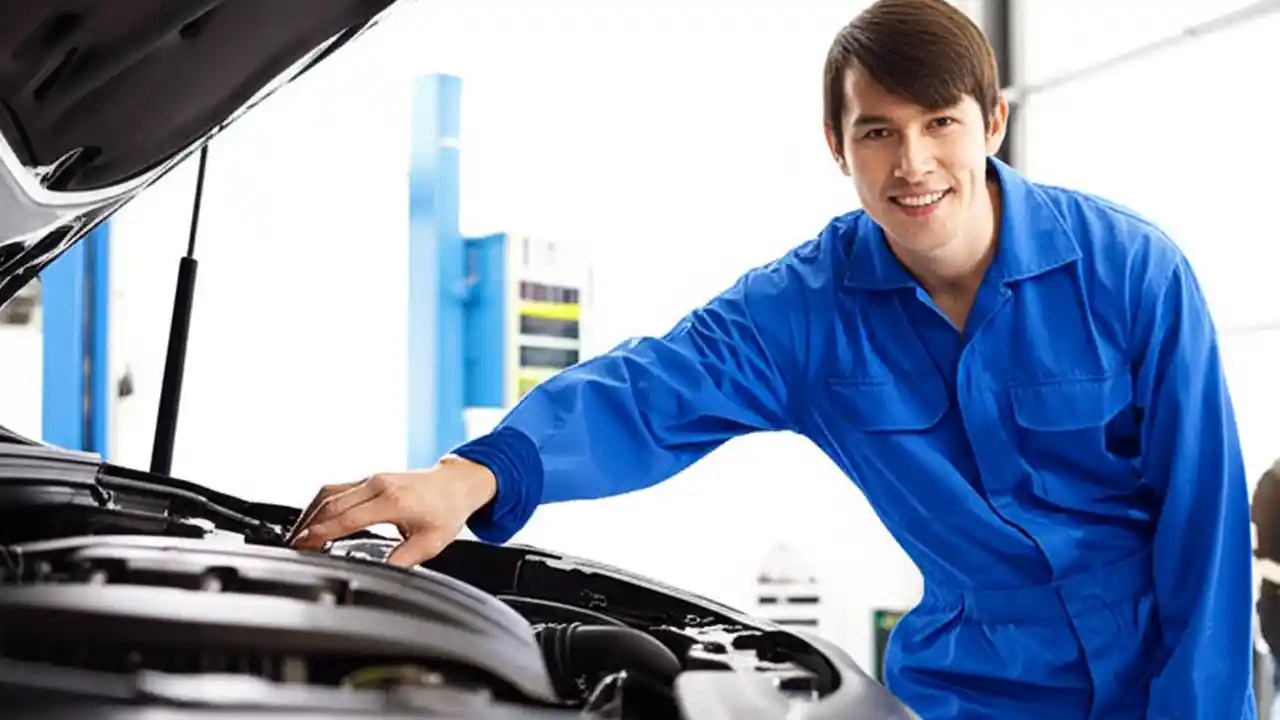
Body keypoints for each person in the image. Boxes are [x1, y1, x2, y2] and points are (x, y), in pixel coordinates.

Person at [287, 0, 1256, 716]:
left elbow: (1202, 533)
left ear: (990, 122)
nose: (911, 163)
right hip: (973, 692)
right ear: (837, 147)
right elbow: (648, 390)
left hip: (1168, 681)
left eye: (938, 125)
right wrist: (469, 476)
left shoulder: (1133, 275)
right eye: (877, 131)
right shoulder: (806, 311)